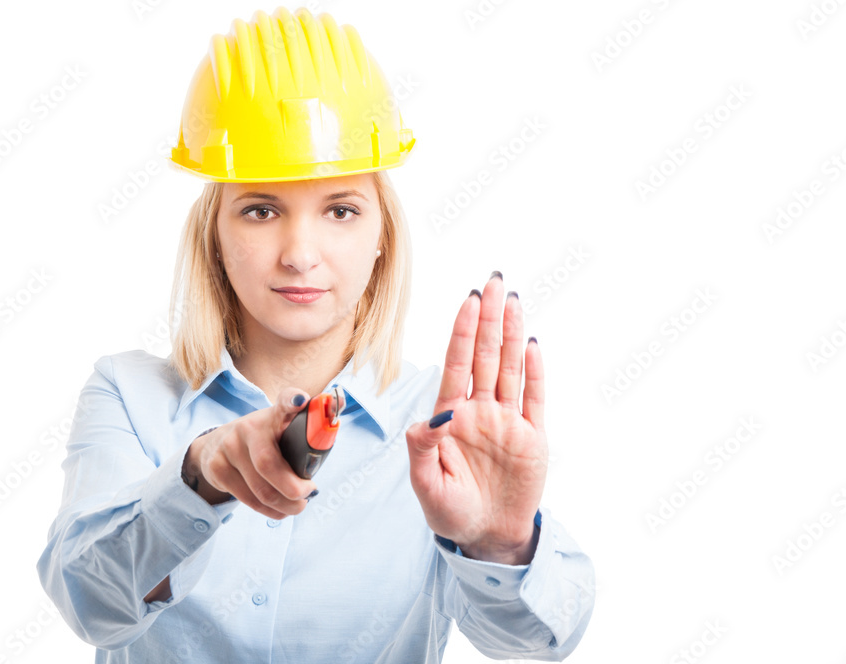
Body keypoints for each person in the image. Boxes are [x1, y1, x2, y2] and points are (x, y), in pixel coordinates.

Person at [36, 6, 595, 663]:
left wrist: (499, 545)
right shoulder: (130, 395)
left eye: (340, 210)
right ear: (214, 234)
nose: (300, 254)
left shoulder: (441, 428)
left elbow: (538, 642)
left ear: (383, 235)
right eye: (261, 209)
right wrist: (199, 479)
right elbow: (89, 604)